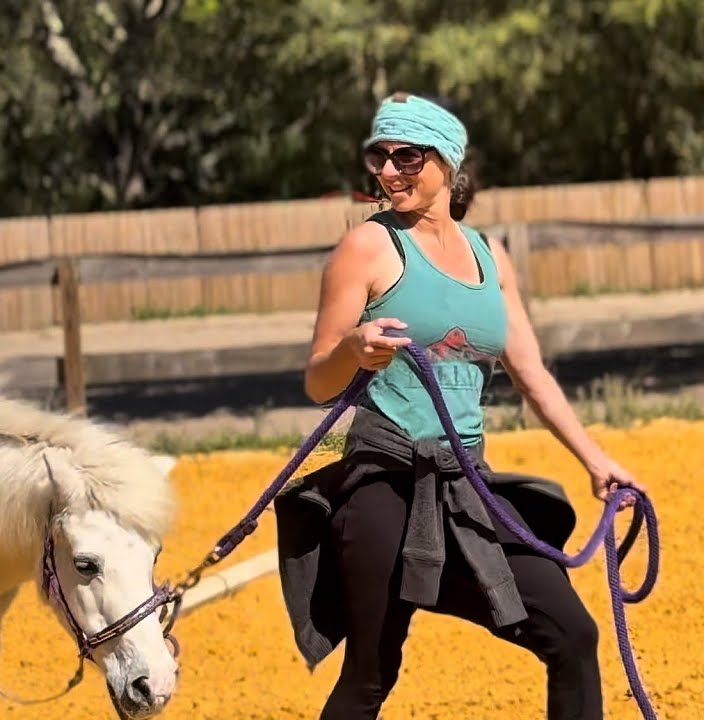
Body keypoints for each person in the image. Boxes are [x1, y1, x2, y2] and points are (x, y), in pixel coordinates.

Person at [275, 93, 648, 719]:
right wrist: (354, 349)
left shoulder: (489, 255)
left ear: (448, 162)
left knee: (572, 635)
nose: (390, 172)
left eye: (407, 157)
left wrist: (596, 460)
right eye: (379, 158)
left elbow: (531, 375)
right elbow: (319, 381)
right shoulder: (366, 248)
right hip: (382, 479)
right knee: (371, 673)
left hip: (467, 482)